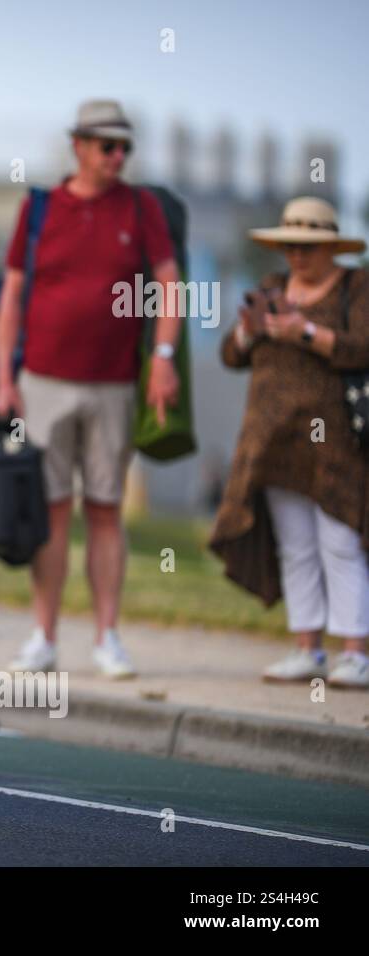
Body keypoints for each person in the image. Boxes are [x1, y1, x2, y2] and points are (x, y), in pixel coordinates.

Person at [0, 99, 183, 679]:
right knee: (50, 513)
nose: (118, 157)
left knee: (105, 510)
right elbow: (12, 297)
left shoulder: (141, 206)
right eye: (107, 146)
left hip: (114, 386)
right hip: (43, 382)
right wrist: (3, 378)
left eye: (126, 147)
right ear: (79, 144)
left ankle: (107, 637)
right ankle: (44, 637)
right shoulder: (41, 208)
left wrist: (164, 358)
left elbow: (169, 283)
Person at [209, 197, 369, 689]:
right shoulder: (272, 287)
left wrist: (304, 332)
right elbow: (231, 355)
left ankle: (355, 652)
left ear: (330, 247)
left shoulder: (355, 287)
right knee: (295, 546)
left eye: (308, 247)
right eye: (290, 246)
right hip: (272, 441)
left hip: (333, 441)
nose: (298, 256)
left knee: (340, 540)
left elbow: (359, 347)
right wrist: (250, 330)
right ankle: (308, 648)